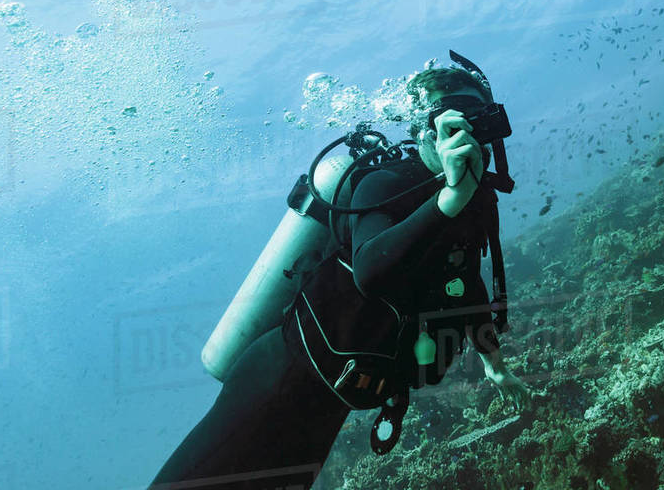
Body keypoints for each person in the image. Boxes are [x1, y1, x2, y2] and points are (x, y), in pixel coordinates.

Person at [148, 66, 531, 490]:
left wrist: (494, 364)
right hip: (281, 378)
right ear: (427, 126)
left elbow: (465, 287)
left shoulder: (467, 201)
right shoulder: (385, 183)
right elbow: (372, 272)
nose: (472, 130)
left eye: (481, 116)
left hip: (334, 402)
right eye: (457, 115)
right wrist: (450, 199)